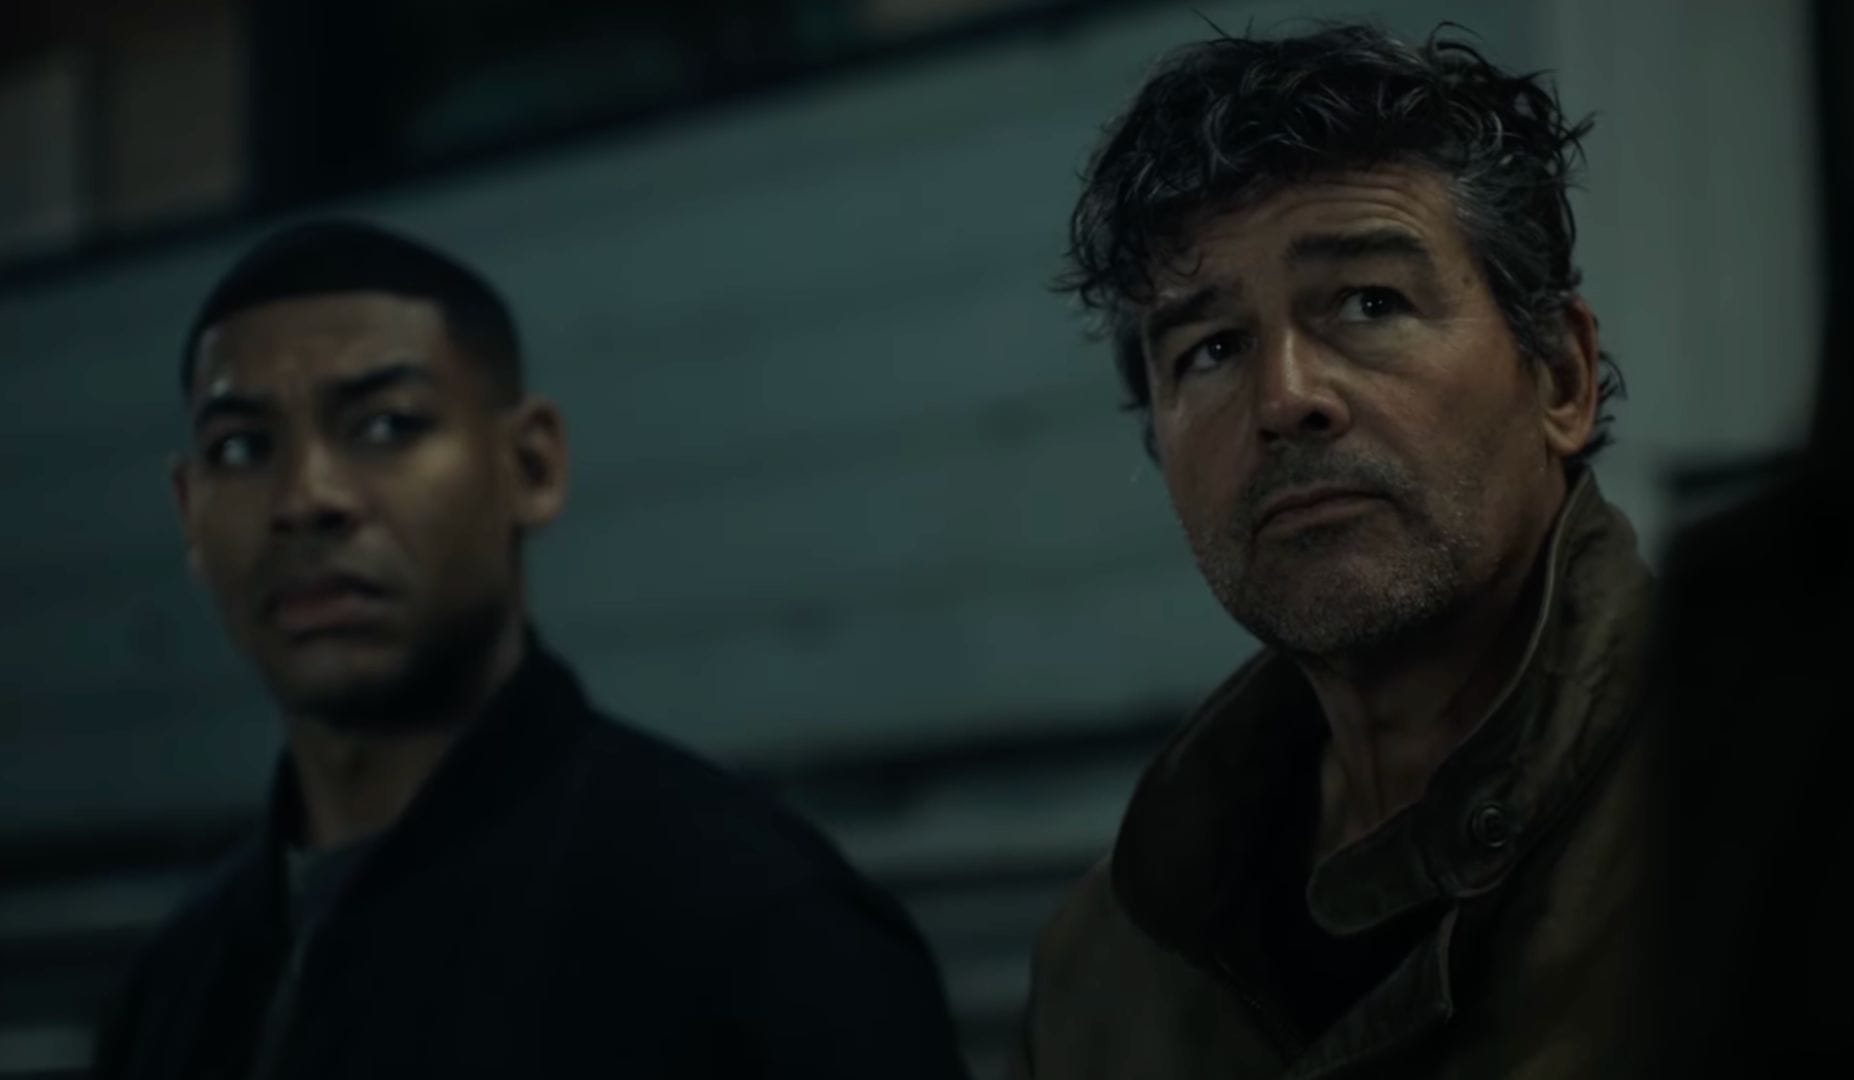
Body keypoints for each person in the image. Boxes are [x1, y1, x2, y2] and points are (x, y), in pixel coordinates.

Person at [93, 220, 968, 1080]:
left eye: (385, 426)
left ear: (531, 466)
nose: (306, 498)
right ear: (189, 513)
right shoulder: (174, 981)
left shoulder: (757, 928)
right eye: (241, 447)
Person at [1016, 24, 1653, 1078]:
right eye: (1211, 349)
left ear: (1560, 378)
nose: (1285, 397)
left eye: (1370, 302)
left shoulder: (1806, 819)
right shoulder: (1113, 967)